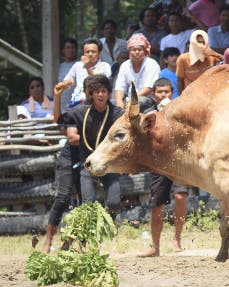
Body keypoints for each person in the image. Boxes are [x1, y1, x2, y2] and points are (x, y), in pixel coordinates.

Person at [138, 79, 189, 257]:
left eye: (166, 92)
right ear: (154, 94)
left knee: (180, 196)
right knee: (157, 205)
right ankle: (155, 246)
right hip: (158, 164)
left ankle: (177, 238)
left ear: (172, 92)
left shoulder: (179, 111)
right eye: (160, 92)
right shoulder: (148, 113)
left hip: (177, 162)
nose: (163, 95)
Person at [66, 75, 124, 214]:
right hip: (88, 164)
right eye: (97, 91)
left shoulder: (117, 113)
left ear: (109, 94)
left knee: (115, 203)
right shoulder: (80, 112)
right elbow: (71, 137)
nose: (100, 94)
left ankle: (109, 228)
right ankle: (88, 233)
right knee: (88, 204)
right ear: (91, 94)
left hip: (109, 164)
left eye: (104, 91)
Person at [42, 80, 83, 254]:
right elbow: (66, 131)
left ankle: (70, 241)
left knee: (85, 201)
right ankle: (48, 240)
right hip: (69, 157)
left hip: (87, 158)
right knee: (63, 197)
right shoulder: (74, 113)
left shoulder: (99, 112)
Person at [57, 39, 112, 106]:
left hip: (96, 104)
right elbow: (69, 80)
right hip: (77, 103)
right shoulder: (78, 65)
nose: (90, 54)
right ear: (83, 53)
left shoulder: (105, 66)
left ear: (99, 53)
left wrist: (87, 67)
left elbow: (101, 85)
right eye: (87, 52)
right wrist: (65, 84)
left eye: (93, 51)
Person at [113, 34, 161, 107]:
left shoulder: (152, 64)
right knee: (112, 102)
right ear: (129, 52)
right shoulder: (125, 65)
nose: (137, 52)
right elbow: (120, 87)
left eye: (140, 50)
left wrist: (131, 100)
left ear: (145, 51)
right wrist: (119, 102)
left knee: (140, 101)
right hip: (129, 99)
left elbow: (149, 87)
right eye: (134, 50)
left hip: (147, 99)